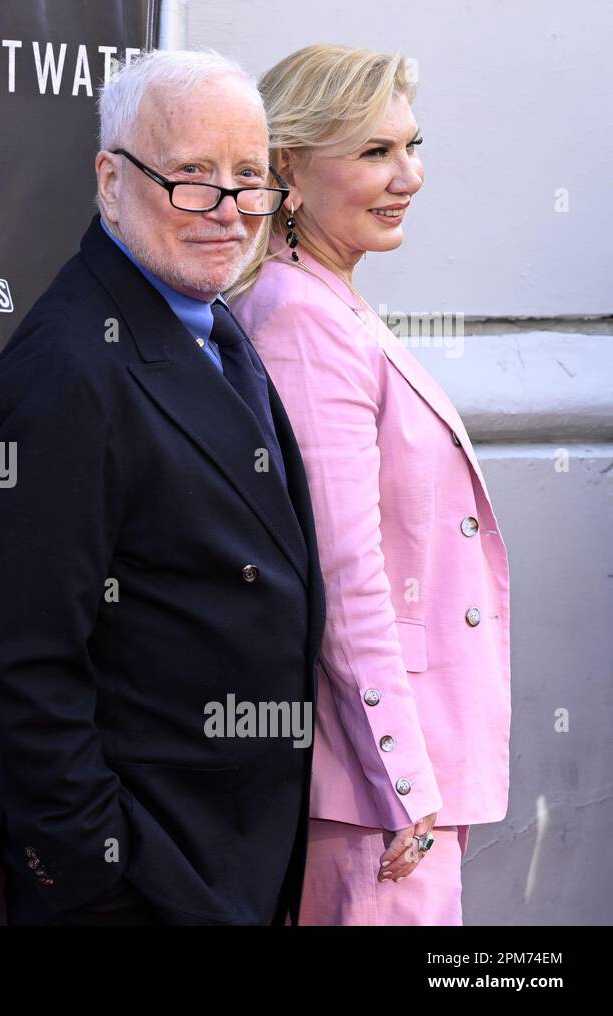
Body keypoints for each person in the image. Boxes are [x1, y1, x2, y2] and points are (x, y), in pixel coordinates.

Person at [0, 49, 325, 927]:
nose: (230, 212)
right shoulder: (68, 371)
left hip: (233, 861)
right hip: (144, 883)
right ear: (110, 178)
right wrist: (98, 877)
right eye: (193, 177)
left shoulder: (205, 324)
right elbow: (27, 656)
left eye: (249, 177)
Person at [228, 44, 511, 925]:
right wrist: (402, 775)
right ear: (291, 172)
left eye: (412, 146)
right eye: (375, 152)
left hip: (390, 784)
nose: (411, 176)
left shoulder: (327, 301)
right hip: (373, 797)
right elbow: (345, 577)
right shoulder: (301, 320)